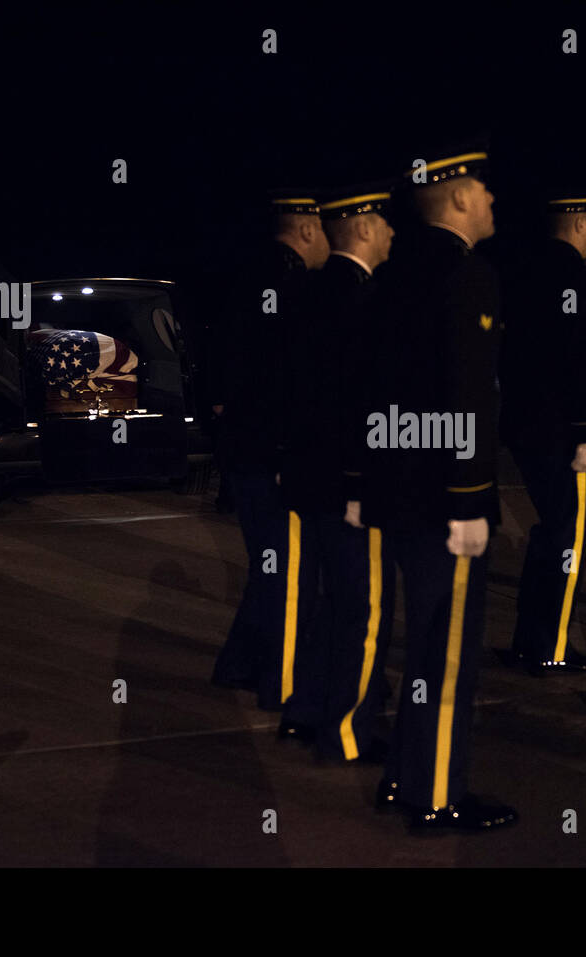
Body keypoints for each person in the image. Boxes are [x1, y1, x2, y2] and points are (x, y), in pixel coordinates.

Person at [362, 148, 516, 830]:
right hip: (443, 499)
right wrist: (468, 498)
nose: (491, 202)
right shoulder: (466, 276)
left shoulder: (392, 278)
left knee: (422, 645)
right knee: (448, 655)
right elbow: (466, 396)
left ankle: (403, 777)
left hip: (398, 492)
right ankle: (435, 794)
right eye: (483, 189)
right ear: (456, 197)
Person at [277, 185, 398, 761]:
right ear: (366, 228)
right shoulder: (367, 300)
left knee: (329, 604)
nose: (394, 233)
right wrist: (361, 482)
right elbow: (361, 404)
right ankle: (347, 731)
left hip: (307, 477)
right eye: (386, 223)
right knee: (365, 612)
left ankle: (305, 711)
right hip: (352, 484)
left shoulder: (304, 292)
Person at [211, 193, 329, 711]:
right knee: (287, 572)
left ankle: (239, 663)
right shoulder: (290, 285)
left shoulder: (251, 278)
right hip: (273, 456)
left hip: (250, 451)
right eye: (325, 227)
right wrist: (288, 454)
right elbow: (283, 383)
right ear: (306, 229)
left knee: (271, 566)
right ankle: (282, 682)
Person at [499, 194, 586, 674]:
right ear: (580, 223)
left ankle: (530, 638)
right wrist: (585, 430)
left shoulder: (527, 270)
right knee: (566, 537)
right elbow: (577, 360)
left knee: (548, 534)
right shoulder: (572, 275)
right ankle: (551, 644)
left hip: (525, 424)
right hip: (559, 431)